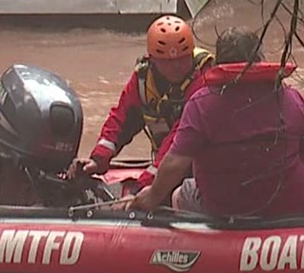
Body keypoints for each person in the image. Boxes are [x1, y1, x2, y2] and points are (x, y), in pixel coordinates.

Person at [128, 28, 304, 218]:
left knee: (181, 194)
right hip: (290, 208)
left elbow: (175, 163)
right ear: (260, 59)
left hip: (225, 210)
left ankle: (200, 247)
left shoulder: (202, 103)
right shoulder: (292, 98)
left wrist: (152, 196)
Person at [73, 15, 213, 178]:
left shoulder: (205, 77)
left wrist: (145, 185)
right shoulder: (144, 79)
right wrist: (98, 159)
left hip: (200, 166)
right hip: (169, 163)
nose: (176, 66)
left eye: (182, 59)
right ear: (153, 60)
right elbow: (120, 120)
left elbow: (178, 141)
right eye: (167, 61)